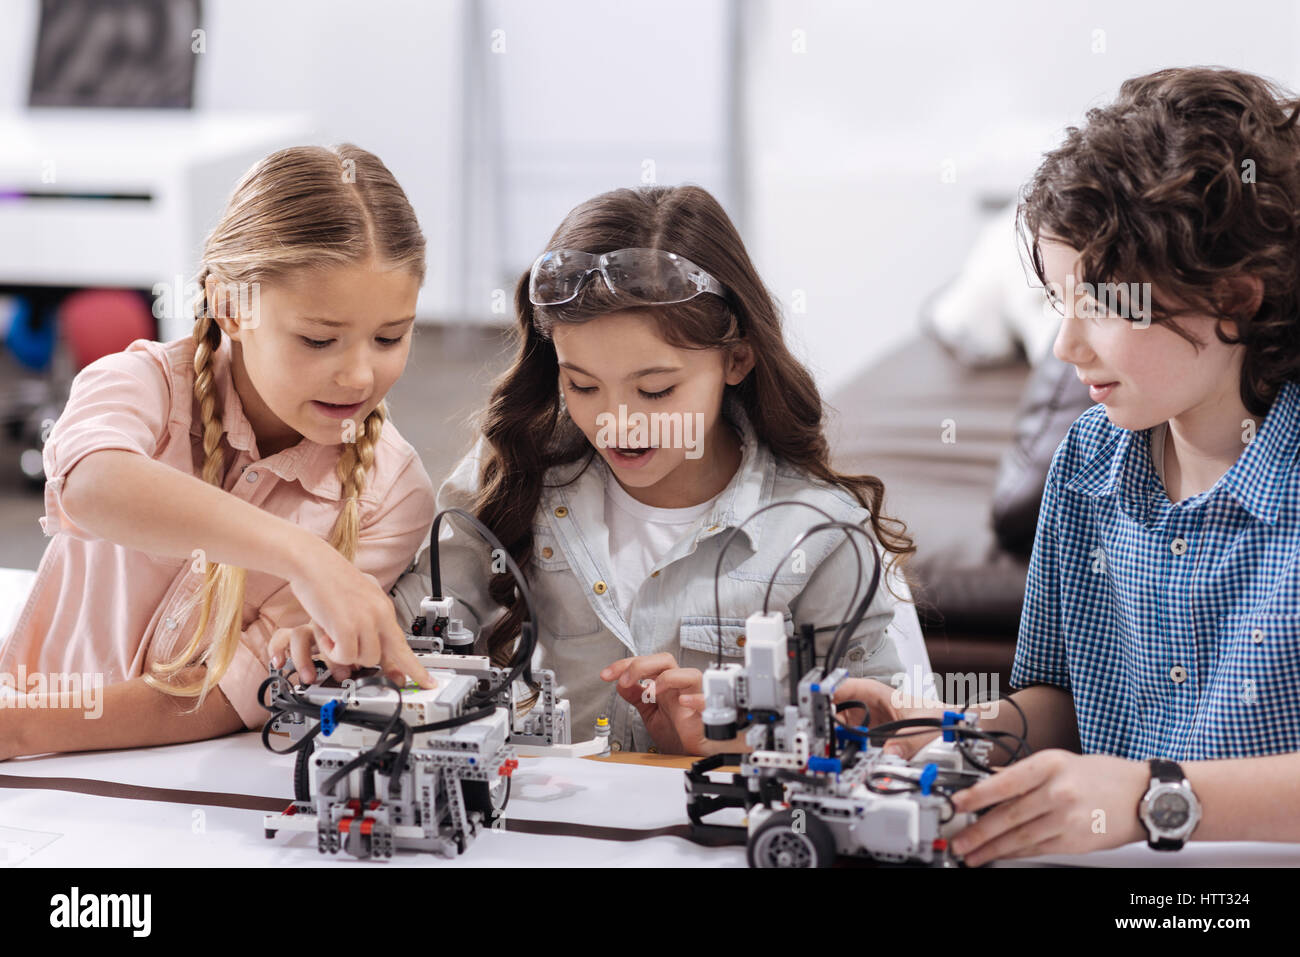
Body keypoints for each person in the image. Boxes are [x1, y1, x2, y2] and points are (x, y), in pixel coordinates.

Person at [821, 67, 1300, 866]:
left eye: (1107, 307)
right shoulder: (1087, 460)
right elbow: (1066, 700)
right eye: (1058, 302)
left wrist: (1149, 798)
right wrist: (949, 732)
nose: (1066, 348)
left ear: (1236, 299)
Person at [385, 183, 927, 754]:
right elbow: (411, 635)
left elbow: (886, 731)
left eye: (655, 389)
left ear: (737, 359)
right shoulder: (516, 471)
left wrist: (740, 739)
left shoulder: (817, 532)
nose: (618, 421)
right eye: (583, 385)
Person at [0, 144, 437, 760]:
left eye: (390, 337)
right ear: (232, 306)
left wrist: (16, 729)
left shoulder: (392, 494)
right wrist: (307, 557)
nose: (360, 376)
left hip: (188, 788)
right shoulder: (142, 384)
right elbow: (92, 484)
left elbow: (224, 693)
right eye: (319, 339)